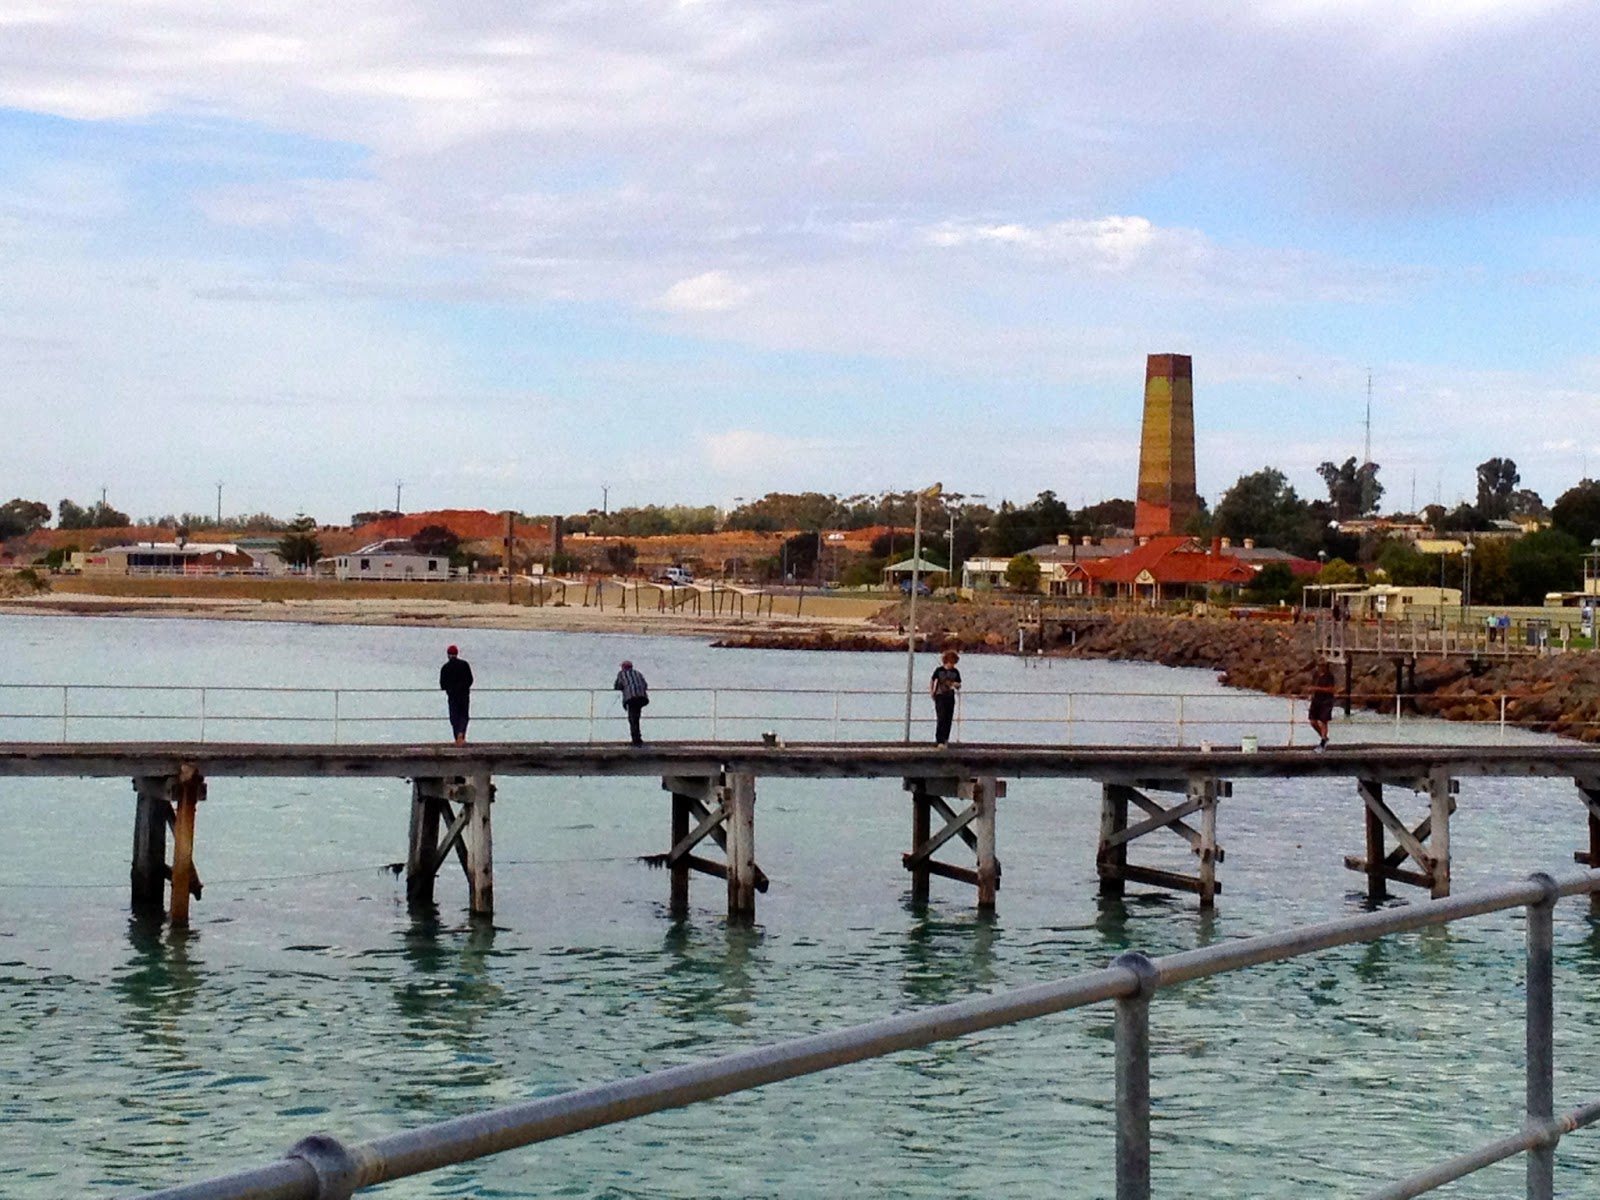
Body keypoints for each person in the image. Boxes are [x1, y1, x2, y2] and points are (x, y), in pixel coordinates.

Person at [439, 644, 473, 745]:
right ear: (457, 654)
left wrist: (450, 688)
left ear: (448, 655)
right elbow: (470, 680)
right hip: (464, 695)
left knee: (454, 717)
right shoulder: (464, 664)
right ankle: (461, 734)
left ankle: (457, 737)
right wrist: (464, 687)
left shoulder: (445, 667)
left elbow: (442, 685)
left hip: (452, 696)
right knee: (464, 716)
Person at [929, 650, 962, 746]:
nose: (952, 665)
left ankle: (946, 739)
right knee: (941, 718)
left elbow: (959, 684)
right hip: (940, 696)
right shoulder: (939, 670)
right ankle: (939, 740)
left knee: (948, 718)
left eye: (954, 663)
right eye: (951, 663)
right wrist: (931, 691)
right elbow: (932, 680)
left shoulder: (955, 672)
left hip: (950, 697)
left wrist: (955, 684)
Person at [614, 659, 649, 746]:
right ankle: (638, 738)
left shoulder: (621, 674)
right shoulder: (638, 673)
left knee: (632, 719)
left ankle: (636, 740)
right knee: (636, 717)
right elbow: (645, 685)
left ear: (623, 668)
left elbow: (617, 686)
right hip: (641, 697)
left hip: (631, 698)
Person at [1308, 657, 1336, 751]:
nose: (1320, 667)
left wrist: (1318, 689)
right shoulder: (1316, 675)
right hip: (1316, 699)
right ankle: (1324, 738)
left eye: (1322, 665)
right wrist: (1311, 691)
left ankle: (1323, 742)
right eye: (1319, 665)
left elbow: (1331, 689)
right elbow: (1312, 685)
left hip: (1326, 700)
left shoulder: (1330, 676)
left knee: (1324, 721)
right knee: (1313, 721)